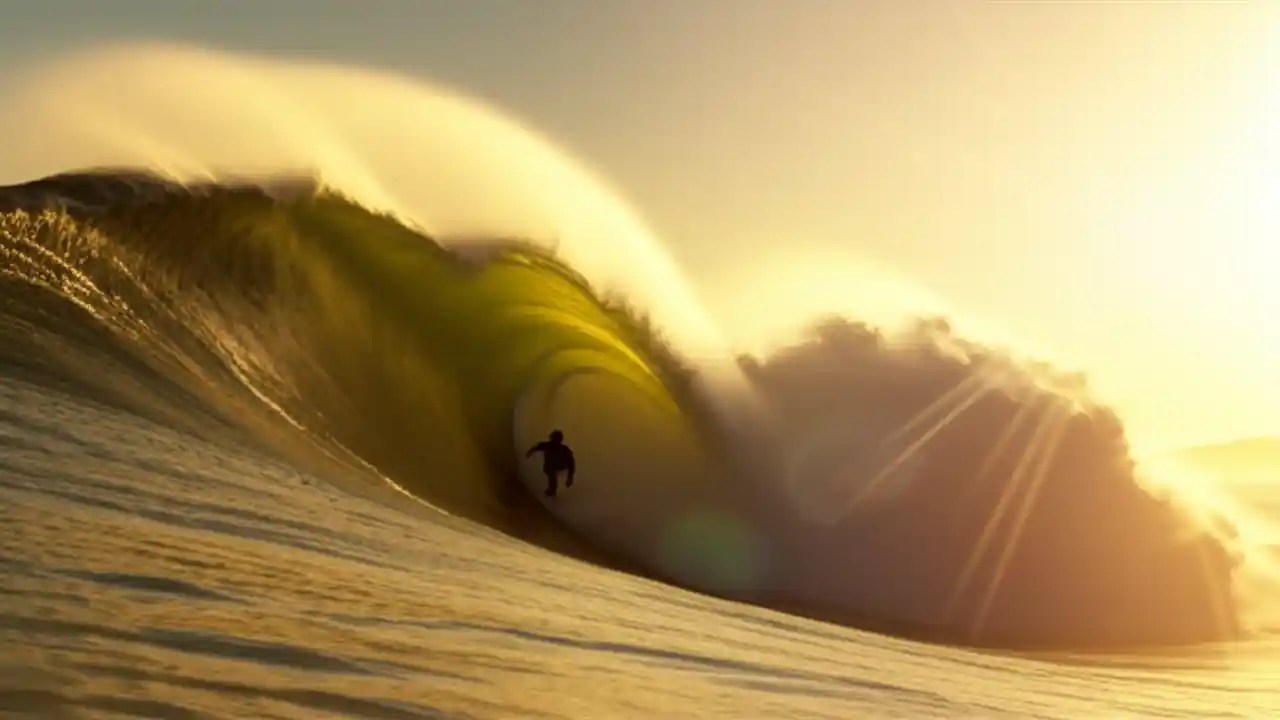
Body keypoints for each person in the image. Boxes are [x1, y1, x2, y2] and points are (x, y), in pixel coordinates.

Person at [526, 430, 575, 498]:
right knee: (551, 471)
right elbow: (535, 447)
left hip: (558, 465)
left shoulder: (564, 449)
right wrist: (529, 453)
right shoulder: (548, 446)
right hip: (552, 466)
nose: (556, 442)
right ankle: (552, 490)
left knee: (552, 471)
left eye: (558, 439)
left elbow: (571, 463)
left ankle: (552, 490)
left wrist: (570, 477)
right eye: (555, 439)